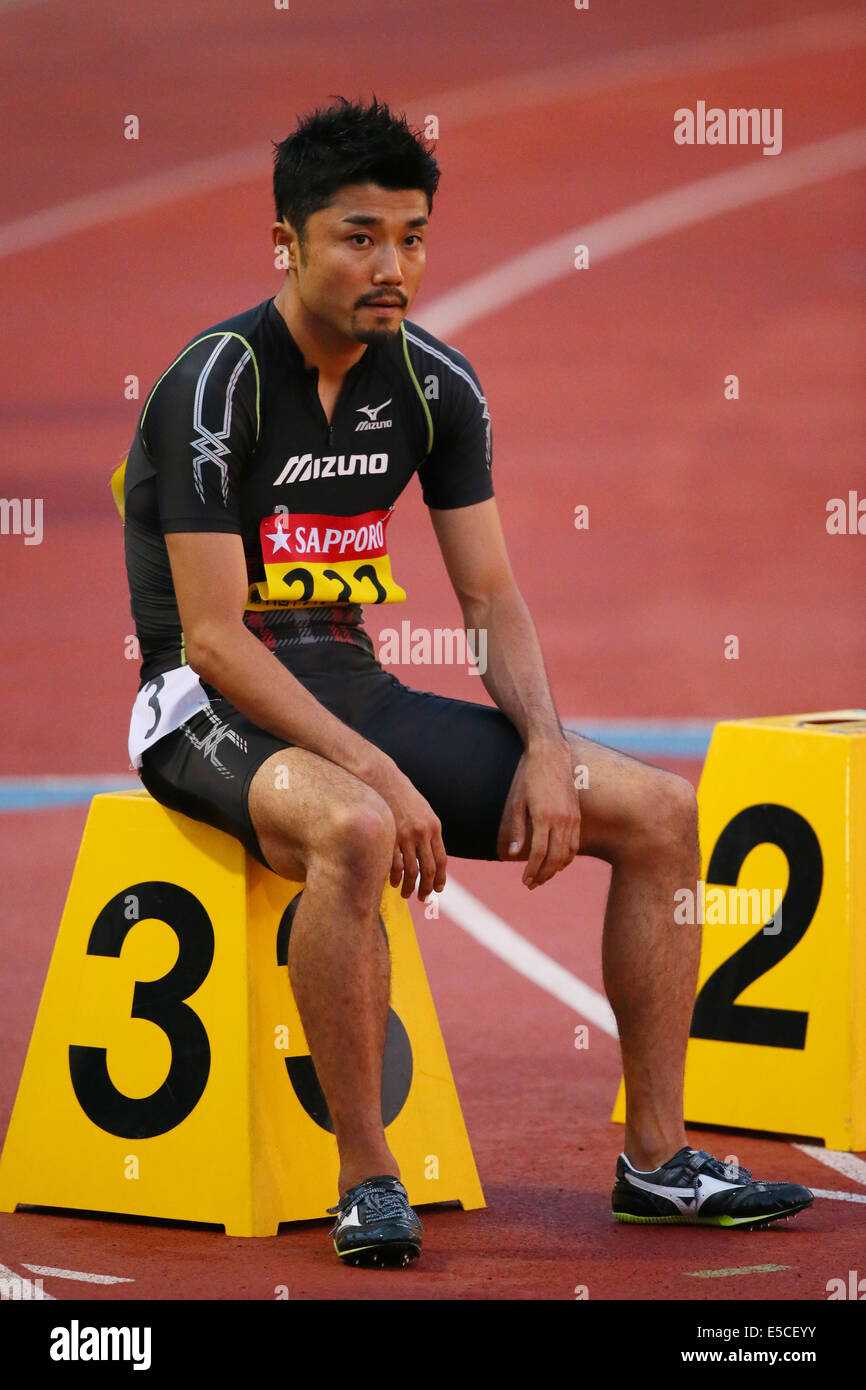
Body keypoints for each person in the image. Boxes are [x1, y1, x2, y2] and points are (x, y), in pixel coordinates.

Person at [114, 97, 812, 1268]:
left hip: (351, 687)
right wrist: (376, 767)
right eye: (357, 236)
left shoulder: (433, 383)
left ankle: (655, 1160)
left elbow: (488, 598)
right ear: (283, 243)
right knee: (353, 823)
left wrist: (542, 739)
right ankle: (366, 1175)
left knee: (657, 815)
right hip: (207, 707)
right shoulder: (214, 384)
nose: (392, 267)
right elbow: (216, 638)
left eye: (412, 236)